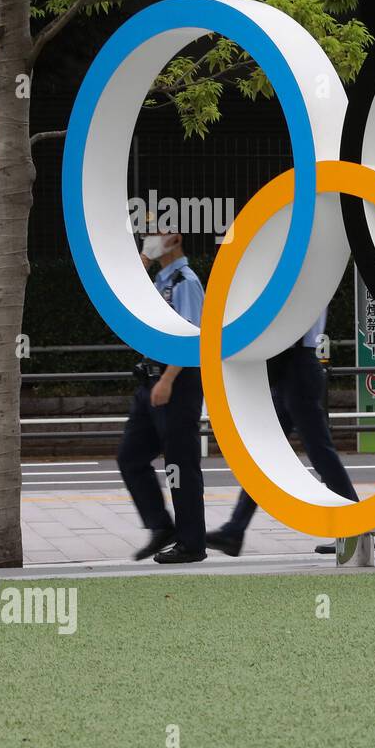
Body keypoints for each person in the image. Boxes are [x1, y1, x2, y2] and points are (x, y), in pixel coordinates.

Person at [206, 308, 358, 556]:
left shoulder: (306, 281)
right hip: (291, 365)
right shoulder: (307, 279)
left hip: (298, 364)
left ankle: (354, 526)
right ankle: (235, 529)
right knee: (270, 454)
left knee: (318, 451)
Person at [120, 225, 208, 564]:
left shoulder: (185, 282)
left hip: (177, 383)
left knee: (181, 465)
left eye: (157, 235)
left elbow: (193, 338)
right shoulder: (158, 282)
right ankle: (161, 526)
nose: (149, 240)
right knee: (130, 457)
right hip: (151, 383)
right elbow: (128, 293)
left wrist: (169, 379)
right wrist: (144, 257)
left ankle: (191, 543)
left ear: (176, 239)